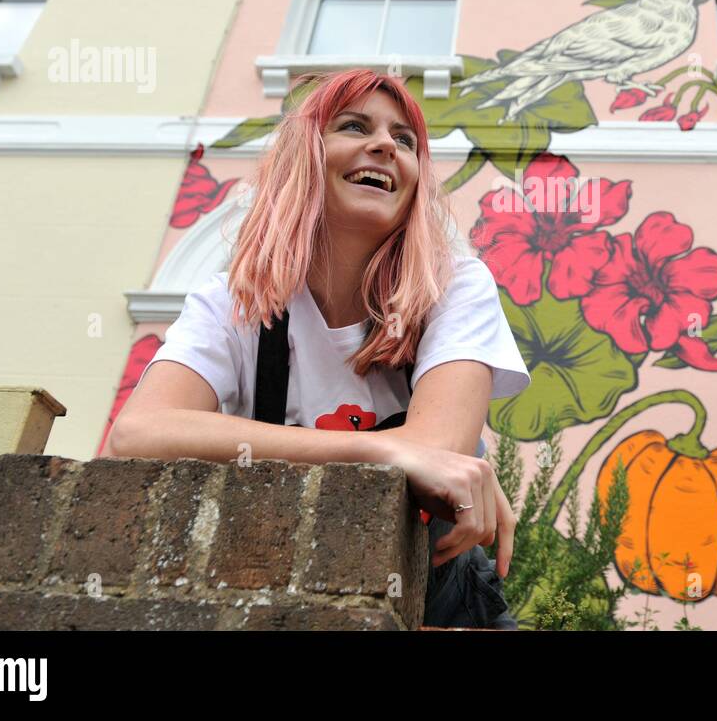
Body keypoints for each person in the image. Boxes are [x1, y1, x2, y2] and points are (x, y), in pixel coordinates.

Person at [107, 68, 531, 629]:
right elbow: (139, 433)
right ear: (304, 157)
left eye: (404, 141)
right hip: (270, 574)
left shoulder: (454, 287)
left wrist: (419, 451)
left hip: (436, 589)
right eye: (354, 127)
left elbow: (436, 446)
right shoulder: (233, 302)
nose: (384, 145)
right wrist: (381, 450)